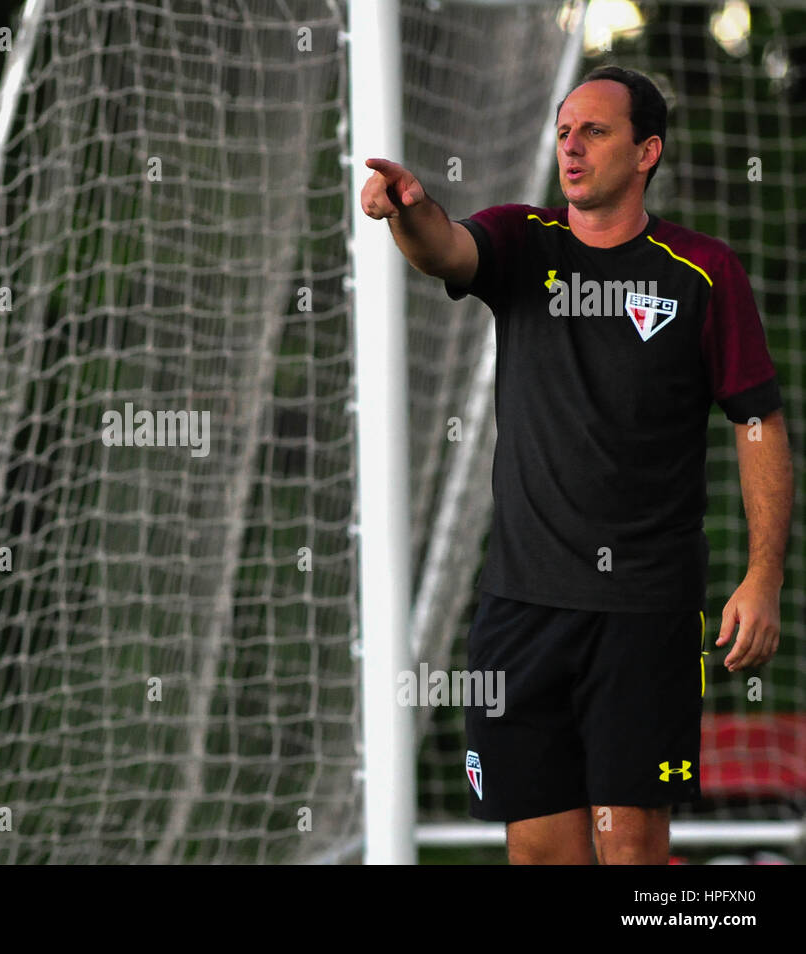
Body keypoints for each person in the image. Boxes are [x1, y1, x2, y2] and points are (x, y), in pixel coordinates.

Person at [361, 66, 792, 864]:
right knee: (542, 853)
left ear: (646, 151)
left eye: (594, 130)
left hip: (643, 613)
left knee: (630, 851)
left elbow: (757, 421)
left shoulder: (703, 273)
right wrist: (410, 213)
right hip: (521, 609)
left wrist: (762, 577)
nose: (571, 144)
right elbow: (446, 253)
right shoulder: (524, 240)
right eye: (564, 130)